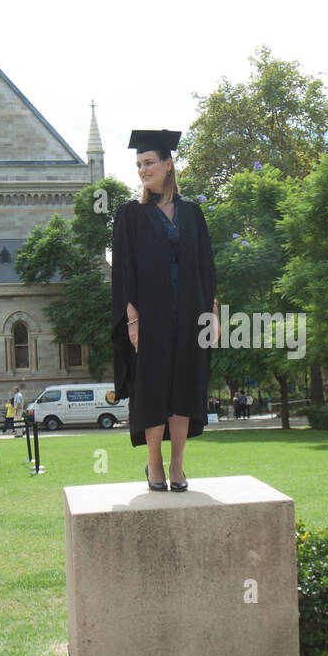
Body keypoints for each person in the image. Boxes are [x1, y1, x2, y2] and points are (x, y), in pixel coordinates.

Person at [110, 128, 218, 492]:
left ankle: (178, 465)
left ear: (168, 165)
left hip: (189, 315)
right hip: (150, 318)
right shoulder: (130, 215)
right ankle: (153, 461)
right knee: (154, 389)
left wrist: (211, 314)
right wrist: (133, 319)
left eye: (149, 162)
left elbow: (206, 266)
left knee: (184, 389)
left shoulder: (192, 213)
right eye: (138, 164)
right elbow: (123, 271)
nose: (142, 170)